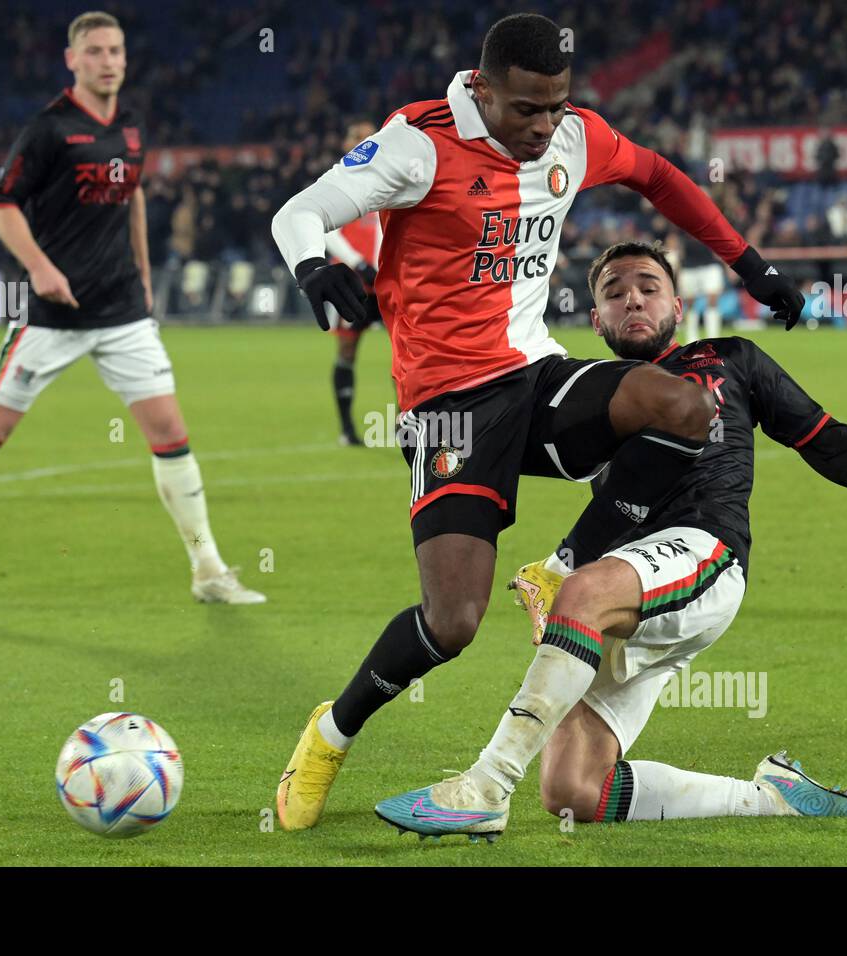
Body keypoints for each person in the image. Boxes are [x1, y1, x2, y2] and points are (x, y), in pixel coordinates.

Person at [269, 13, 805, 831]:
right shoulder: (417, 143)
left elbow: (661, 177)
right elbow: (298, 212)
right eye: (527, 110)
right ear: (481, 88)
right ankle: (329, 734)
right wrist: (315, 268)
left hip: (533, 375)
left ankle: (568, 565)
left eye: (557, 107)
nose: (544, 128)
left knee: (683, 406)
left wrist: (752, 266)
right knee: (451, 624)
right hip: (447, 408)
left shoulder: (572, 138)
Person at [375, 240, 847, 839]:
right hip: (634, 585)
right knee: (574, 791)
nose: (632, 300)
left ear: (678, 306)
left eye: (647, 287)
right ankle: (772, 798)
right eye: (615, 294)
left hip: (704, 552)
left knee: (579, 592)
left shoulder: (732, 358)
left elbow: (821, 434)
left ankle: (484, 789)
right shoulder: (593, 395)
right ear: (596, 320)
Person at [0, 11, 264, 605]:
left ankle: (208, 569)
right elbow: (1, 206)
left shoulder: (132, 126)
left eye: (116, 51)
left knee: (170, 433)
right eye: (95, 51)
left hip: (121, 311)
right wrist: (39, 267)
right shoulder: (49, 130)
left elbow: (132, 196)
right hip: (50, 315)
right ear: (73, 60)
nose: (108, 61)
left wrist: (143, 273)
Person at [323, 121, 387, 446]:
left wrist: (380, 264)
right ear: (346, 141)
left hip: (388, 282)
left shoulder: (389, 178)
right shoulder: (336, 182)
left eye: (368, 136)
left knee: (408, 351)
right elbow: (327, 229)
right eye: (357, 136)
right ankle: (347, 429)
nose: (363, 141)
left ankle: (410, 422)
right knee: (347, 350)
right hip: (351, 281)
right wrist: (358, 263)